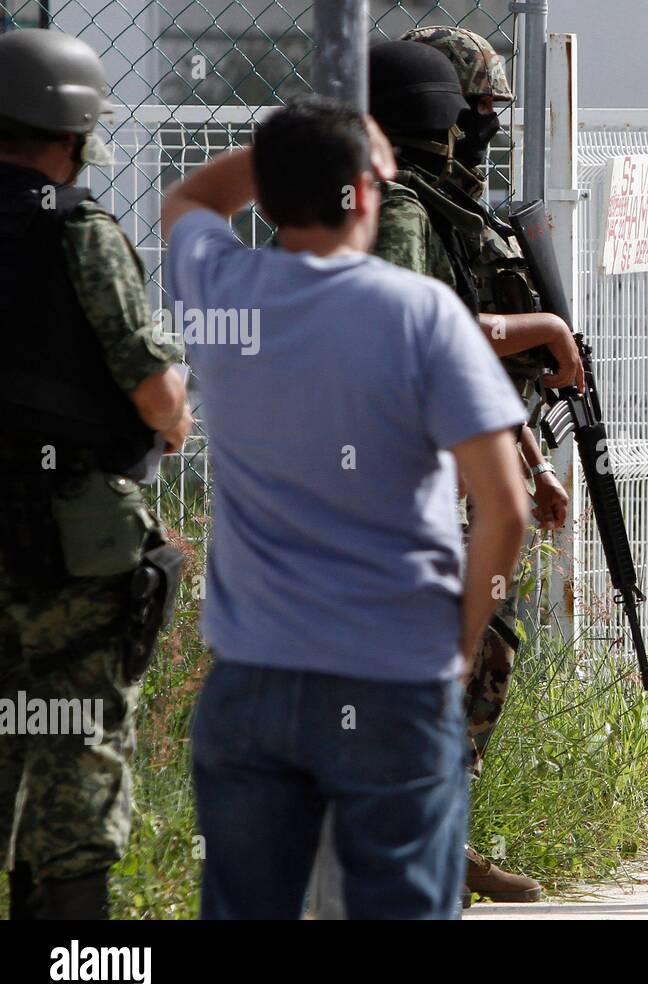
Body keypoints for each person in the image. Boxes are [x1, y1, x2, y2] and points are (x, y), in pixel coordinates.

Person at [162, 96, 531, 919]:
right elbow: (505, 509)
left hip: (253, 681)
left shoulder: (223, 292)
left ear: (269, 195)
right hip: (394, 673)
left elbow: (188, 201)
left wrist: (294, 155)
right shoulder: (421, 314)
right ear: (366, 194)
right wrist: (456, 647)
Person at [369, 28, 581, 904]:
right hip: (389, 478)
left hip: (449, 467)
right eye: (479, 111)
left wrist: (530, 459)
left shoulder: (445, 210)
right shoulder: (399, 210)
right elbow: (423, 336)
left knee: (484, 649)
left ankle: (432, 840)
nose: (488, 128)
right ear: (439, 113)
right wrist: (546, 331)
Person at [0, 29, 191, 921]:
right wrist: (176, 413)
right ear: (74, 131)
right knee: (74, 754)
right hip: (67, 544)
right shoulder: (78, 230)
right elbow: (152, 390)